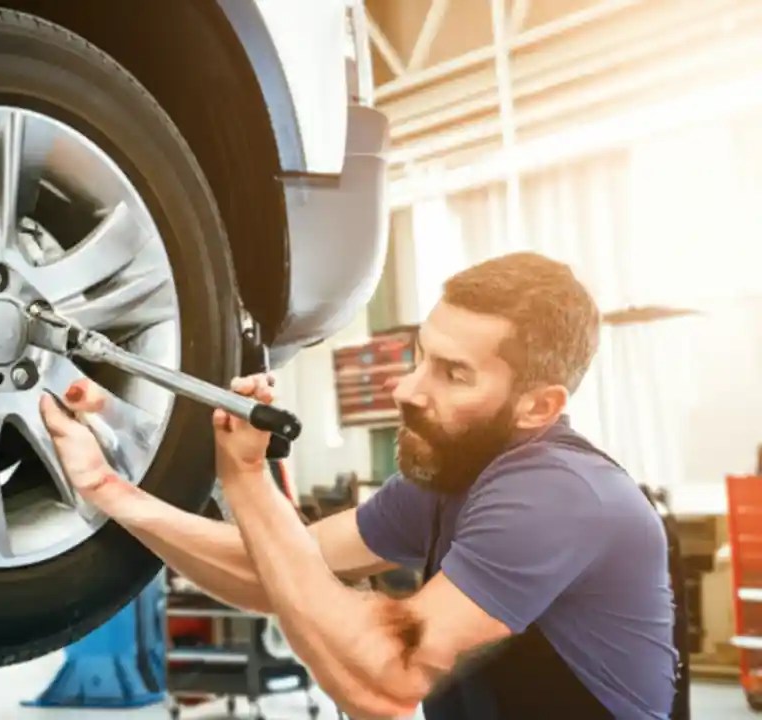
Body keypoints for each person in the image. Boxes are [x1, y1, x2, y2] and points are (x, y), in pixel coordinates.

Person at [39, 251, 679, 720]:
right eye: (421, 356)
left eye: (455, 374)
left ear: (538, 407)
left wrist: (248, 479)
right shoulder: (451, 475)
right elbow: (271, 570)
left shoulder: (558, 493)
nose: (407, 390)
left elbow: (386, 682)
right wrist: (110, 488)